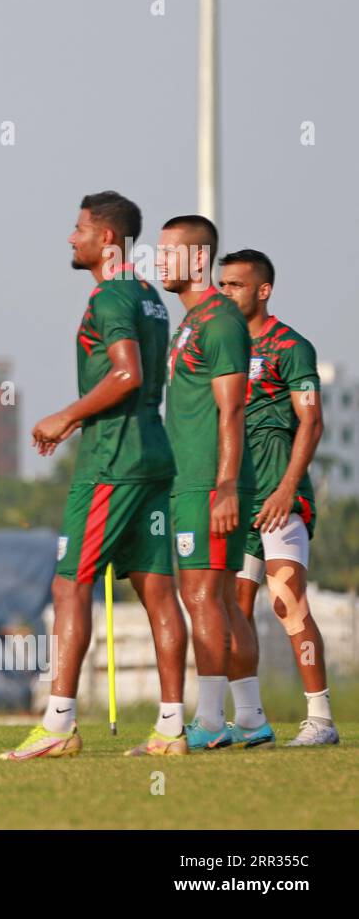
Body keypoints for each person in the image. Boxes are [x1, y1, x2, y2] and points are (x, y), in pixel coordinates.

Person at [2, 191, 189, 760]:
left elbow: (127, 374)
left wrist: (66, 416)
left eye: (79, 228)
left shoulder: (110, 296)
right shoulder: (150, 297)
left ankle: (58, 724)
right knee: (157, 589)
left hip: (113, 461)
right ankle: (171, 729)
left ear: (106, 238)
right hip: (153, 454)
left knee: (70, 584)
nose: (71, 237)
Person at [219, 249, 337, 746]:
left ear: (263, 290)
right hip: (236, 497)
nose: (226, 293)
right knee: (234, 609)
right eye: (222, 285)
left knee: (288, 601)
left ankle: (321, 720)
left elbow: (312, 421)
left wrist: (287, 489)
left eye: (236, 285)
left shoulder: (291, 346)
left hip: (279, 496)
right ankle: (250, 720)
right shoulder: (220, 347)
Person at [158, 215, 263, 750]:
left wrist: (224, 486)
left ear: (198, 259)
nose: (158, 261)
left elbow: (232, 409)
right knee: (220, 598)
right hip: (191, 480)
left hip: (208, 484)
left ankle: (210, 722)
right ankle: (251, 719)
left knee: (200, 596)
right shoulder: (191, 321)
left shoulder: (219, 320)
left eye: (169, 251)